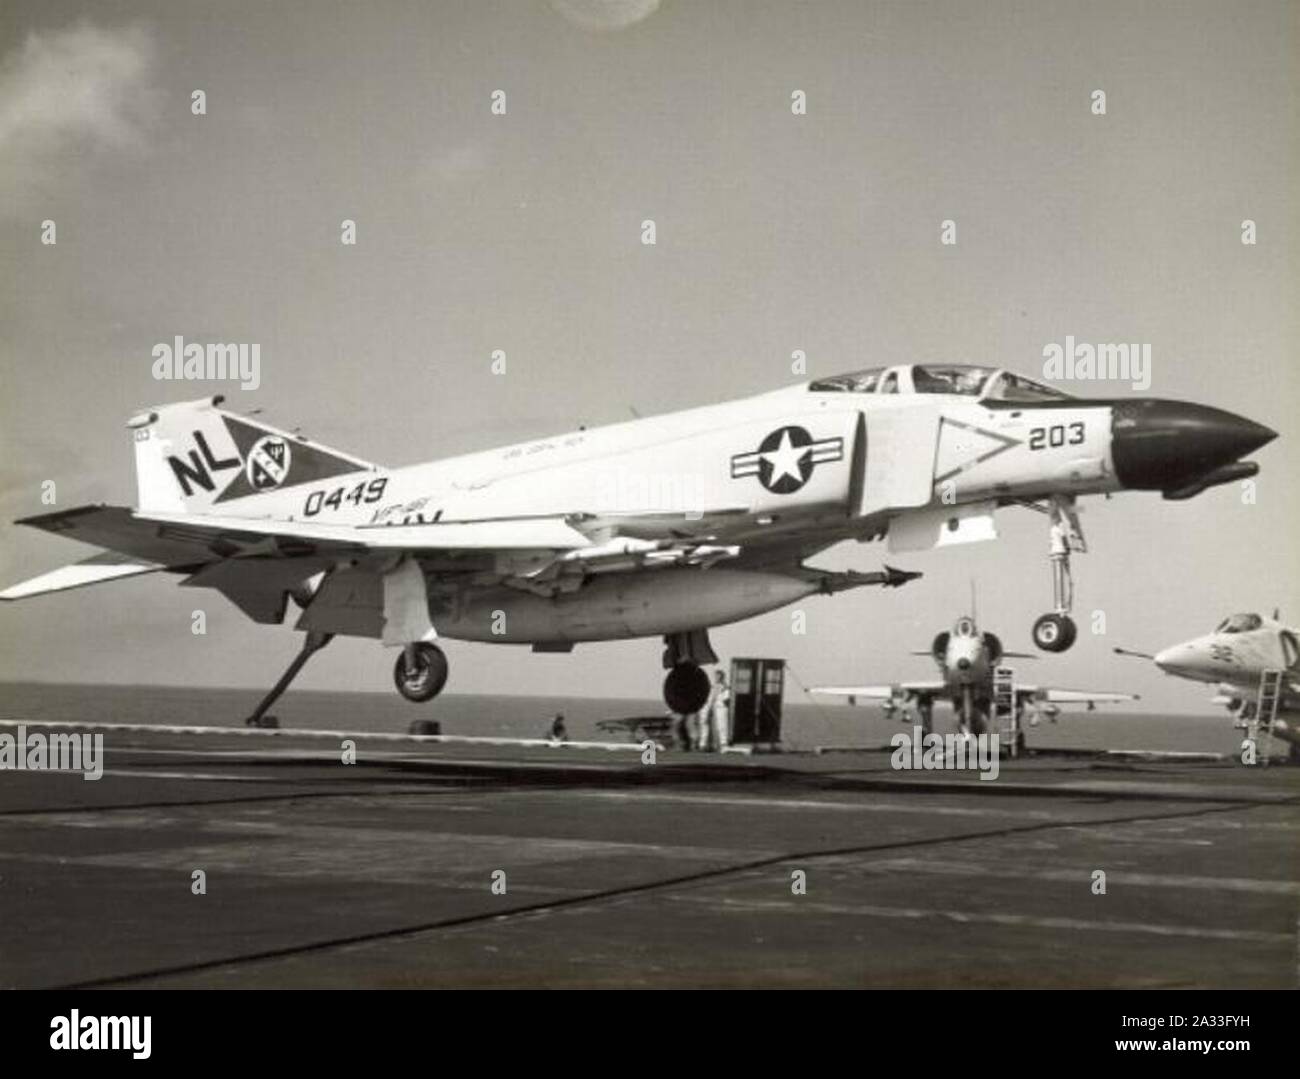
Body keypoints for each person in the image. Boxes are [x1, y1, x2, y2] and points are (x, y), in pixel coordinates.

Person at [707, 668, 731, 751]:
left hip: (722, 707)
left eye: (718, 676)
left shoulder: (725, 687)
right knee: (717, 727)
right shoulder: (714, 686)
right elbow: (712, 698)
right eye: (716, 676)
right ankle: (717, 744)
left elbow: (726, 699)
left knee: (722, 726)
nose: (716, 677)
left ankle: (724, 744)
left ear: (722, 677)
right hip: (716, 707)